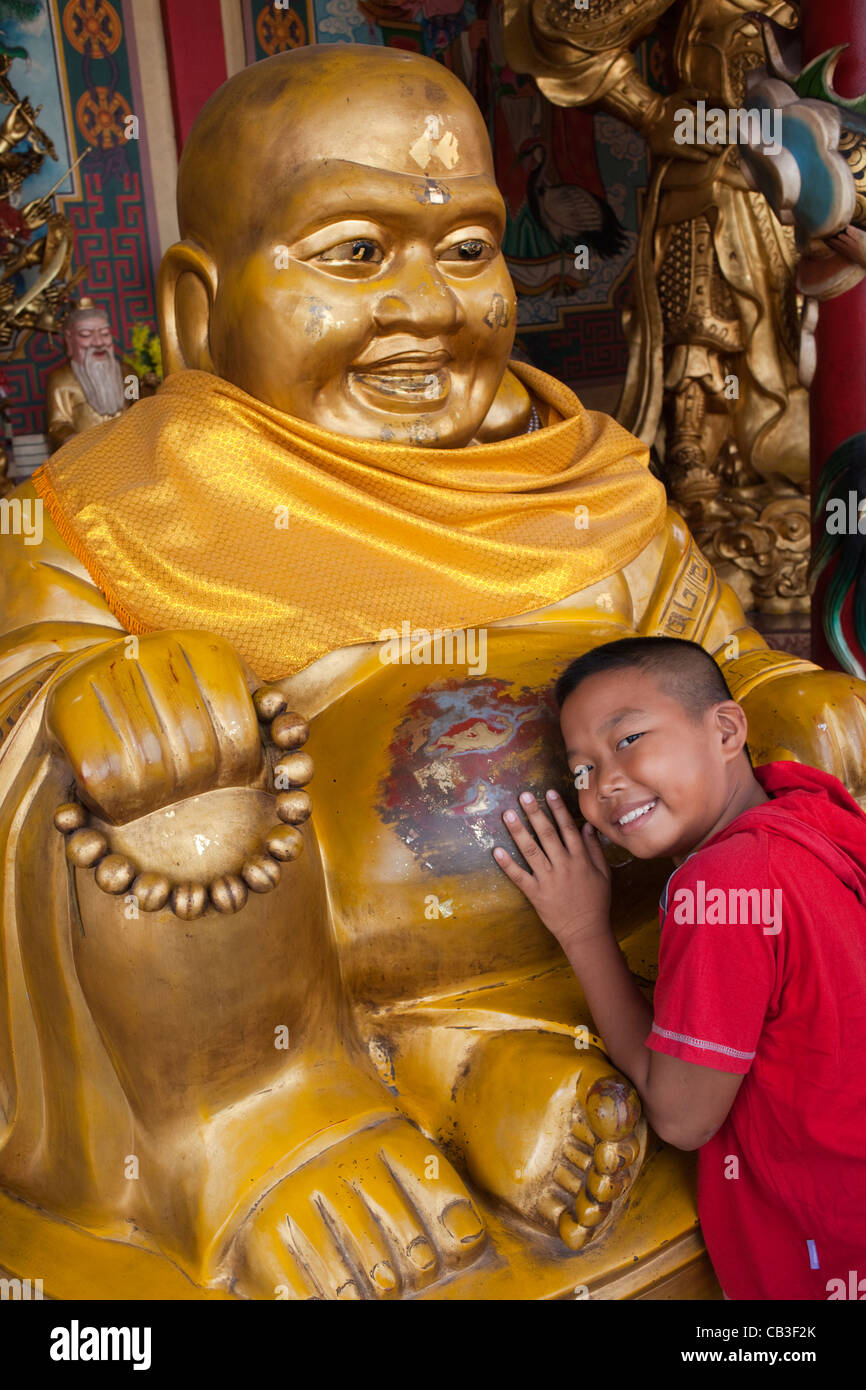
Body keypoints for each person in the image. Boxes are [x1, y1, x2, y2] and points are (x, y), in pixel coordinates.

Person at [1, 43, 866, 1301]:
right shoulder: (109, 509)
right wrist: (90, 700)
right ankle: (277, 1132)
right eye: (355, 254)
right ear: (196, 309)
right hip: (286, 1012)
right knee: (166, 796)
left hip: (636, 950)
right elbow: (16, 711)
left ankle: (482, 1069)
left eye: (464, 249)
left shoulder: (585, 473)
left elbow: (706, 656)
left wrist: (780, 693)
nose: (428, 304)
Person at [494, 635, 866, 1299]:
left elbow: (682, 1116)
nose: (604, 783)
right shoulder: (809, 807)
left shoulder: (722, 887)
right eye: (579, 772)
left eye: (630, 738)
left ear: (726, 728)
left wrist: (582, 931)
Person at [45, 300, 128, 450]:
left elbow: (139, 406)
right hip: (87, 458)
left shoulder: (128, 373)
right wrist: (72, 439)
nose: (98, 342)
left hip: (130, 452)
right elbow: (57, 425)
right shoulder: (60, 380)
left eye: (104, 334)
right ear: (69, 339)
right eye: (86, 335)